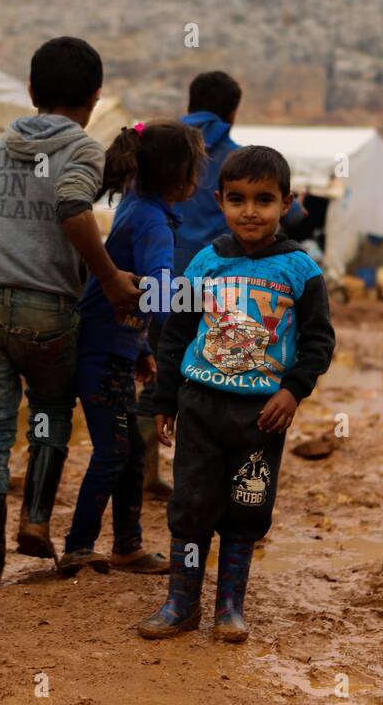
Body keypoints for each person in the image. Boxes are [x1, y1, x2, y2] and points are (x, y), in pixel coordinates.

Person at [0, 36, 142, 585]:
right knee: (51, 412)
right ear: (94, 96)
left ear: (32, 90)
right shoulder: (83, 148)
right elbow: (70, 207)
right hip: (46, 308)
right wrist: (110, 279)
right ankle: (36, 521)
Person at [140, 145, 335, 642]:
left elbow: (318, 340)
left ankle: (229, 607)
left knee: (246, 508)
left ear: (286, 202)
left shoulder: (301, 270)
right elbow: (176, 333)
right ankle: (181, 603)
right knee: (191, 509)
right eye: (238, 199)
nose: (251, 211)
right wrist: (164, 399)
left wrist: (293, 391)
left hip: (261, 417)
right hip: (201, 407)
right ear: (220, 201)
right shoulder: (205, 262)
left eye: (264, 200)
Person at [58, 119, 206, 576]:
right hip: (102, 355)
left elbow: (134, 290)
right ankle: (80, 545)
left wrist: (141, 345)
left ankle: (127, 544)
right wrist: (190, 327)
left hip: (116, 350)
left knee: (130, 452)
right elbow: (159, 288)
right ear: (182, 177)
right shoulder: (152, 222)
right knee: (113, 451)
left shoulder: (138, 207)